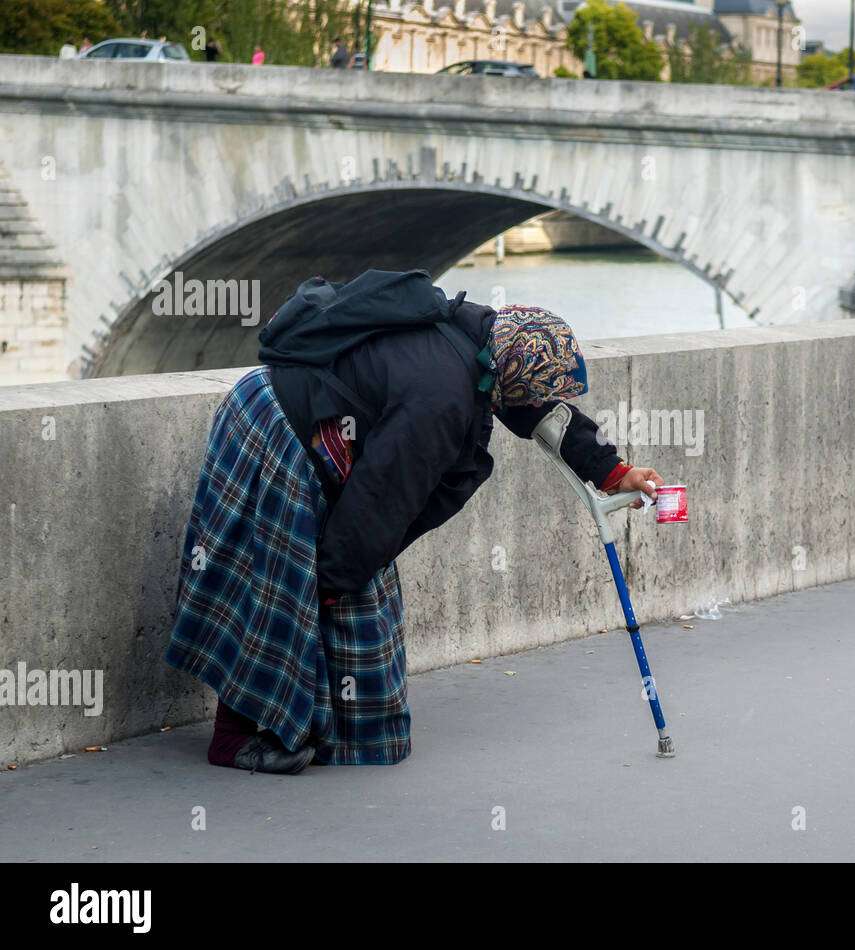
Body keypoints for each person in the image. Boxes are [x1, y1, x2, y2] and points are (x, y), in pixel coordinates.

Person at [165, 270, 664, 773]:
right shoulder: (441, 397)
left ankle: (312, 725)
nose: (529, 400)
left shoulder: (481, 338)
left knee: (335, 587)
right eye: (526, 389)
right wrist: (334, 581)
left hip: (315, 431)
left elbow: (532, 405)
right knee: (287, 591)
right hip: (278, 429)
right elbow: (381, 497)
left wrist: (611, 471)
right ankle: (232, 738)